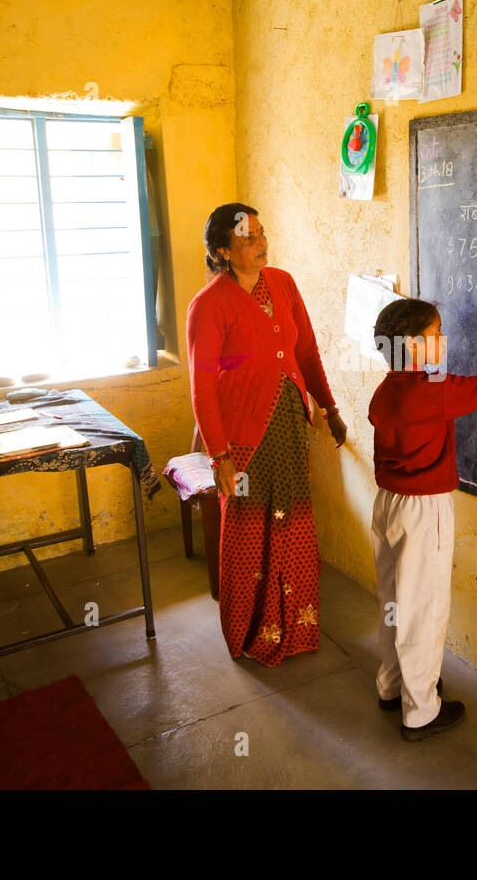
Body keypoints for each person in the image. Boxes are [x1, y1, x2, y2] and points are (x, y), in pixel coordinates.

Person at [367, 286, 477, 740]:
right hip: (425, 511)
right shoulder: (431, 392)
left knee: (393, 601)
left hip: (388, 505)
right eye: (437, 333)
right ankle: (421, 710)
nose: (445, 341)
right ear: (414, 346)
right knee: (423, 608)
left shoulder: (386, 391)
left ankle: (393, 685)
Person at [185, 203, 347, 666]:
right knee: (249, 535)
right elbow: (201, 389)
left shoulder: (283, 282)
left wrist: (329, 406)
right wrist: (220, 458)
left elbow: (307, 350)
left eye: (262, 233)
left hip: (291, 428)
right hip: (242, 440)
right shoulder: (209, 305)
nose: (260, 244)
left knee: (292, 526)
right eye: (247, 238)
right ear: (222, 250)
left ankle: (295, 628)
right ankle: (249, 633)